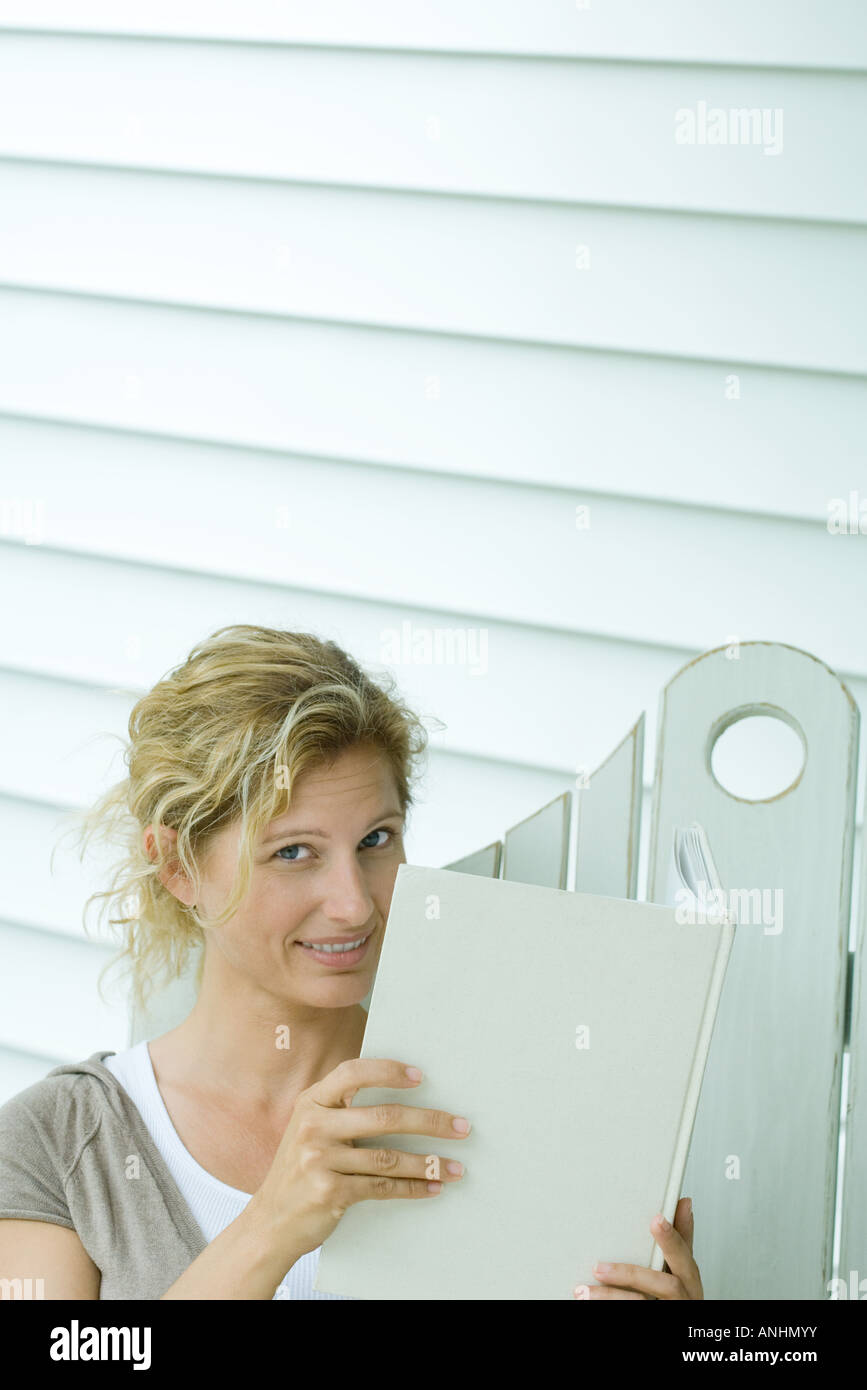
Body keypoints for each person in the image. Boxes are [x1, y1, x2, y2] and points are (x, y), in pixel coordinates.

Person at [0, 624, 702, 1299]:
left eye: (375, 839)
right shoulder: (59, 1145)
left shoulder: (506, 1109)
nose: (354, 905)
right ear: (178, 865)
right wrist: (272, 1226)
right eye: (293, 852)